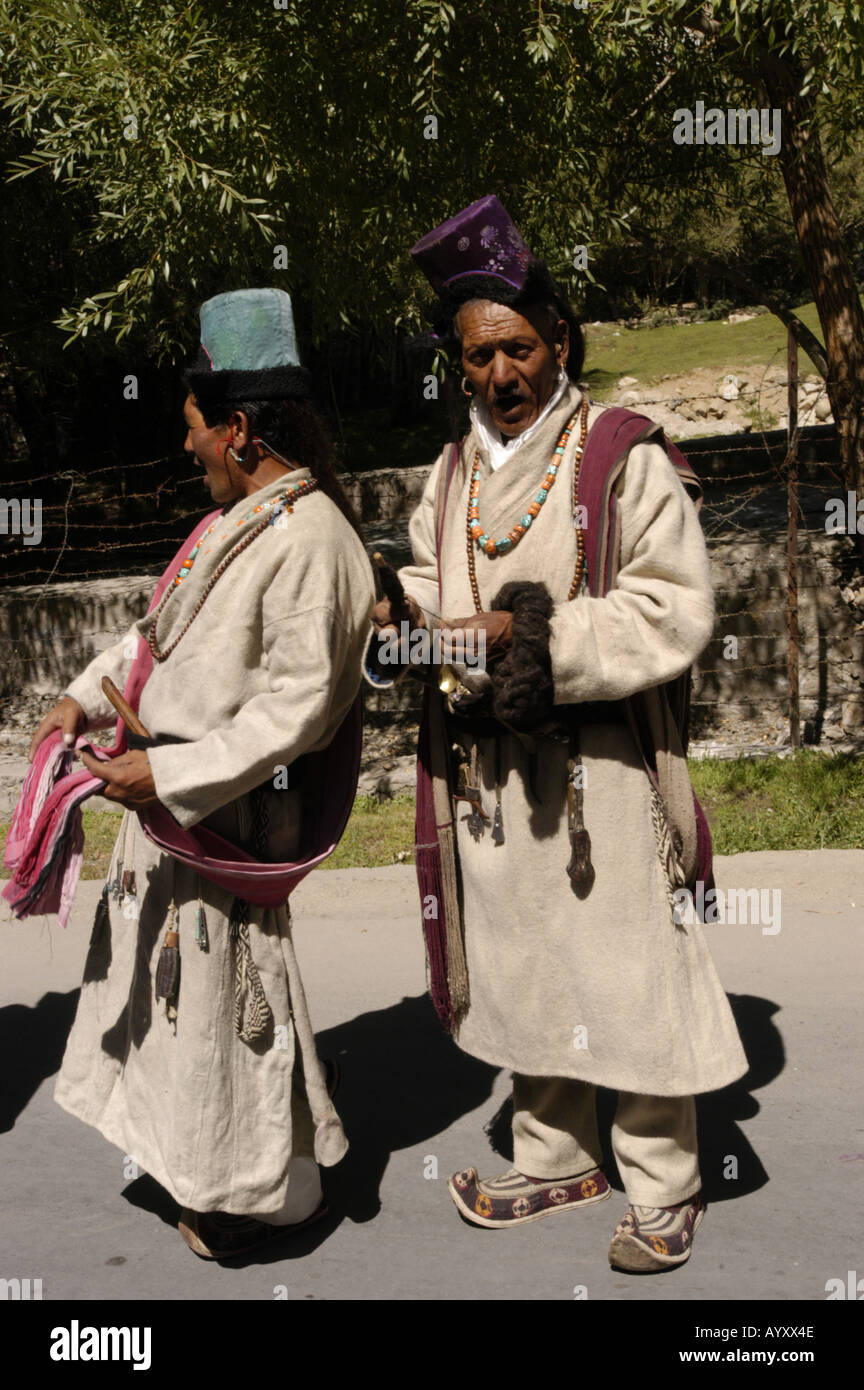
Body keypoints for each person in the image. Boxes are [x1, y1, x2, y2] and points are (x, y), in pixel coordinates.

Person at [369, 196, 748, 1273]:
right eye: (478, 356)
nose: (500, 374)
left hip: (604, 774)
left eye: (520, 348)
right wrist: (403, 613)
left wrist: (528, 637)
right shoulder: (448, 479)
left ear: (561, 343)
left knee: (628, 971)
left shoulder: (621, 457)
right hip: (493, 777)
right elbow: (441, 587)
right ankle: (554, 1154)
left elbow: (673, 608)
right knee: (526, 966)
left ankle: (667, 1180)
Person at [25, 288, 375, 1259]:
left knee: (229, 1015)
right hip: (172, 799)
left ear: (239, 426)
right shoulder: (238, 521)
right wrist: (83, 700)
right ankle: (205, 1168)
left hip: (225, 815)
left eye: (193, 428)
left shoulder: (311, 541)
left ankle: (269, 1201)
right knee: (183, 1018)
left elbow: (297, 709)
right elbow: (155, 643)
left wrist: (171, 776)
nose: (186, 448)